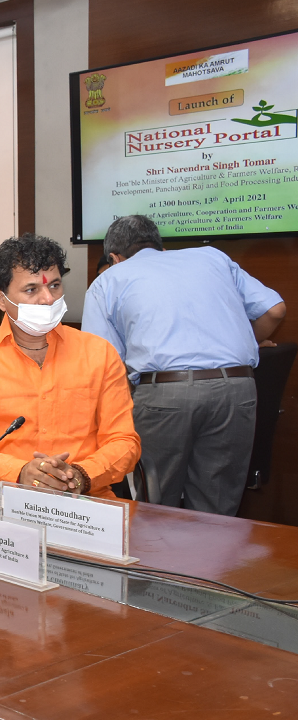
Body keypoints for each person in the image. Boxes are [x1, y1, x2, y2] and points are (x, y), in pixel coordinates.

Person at [83, 214, 286, 514]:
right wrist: (244, 343)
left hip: (165, 396)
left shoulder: (108, 281)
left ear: (114, 258)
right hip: (237, 389)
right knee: (217, 510)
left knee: (156, 507)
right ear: (159, 245)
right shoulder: (213, 257)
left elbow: (104, 361)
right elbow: (276, 310)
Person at [0, 233, 140, 497]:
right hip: (5, 502)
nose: (48, 299)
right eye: (31, 289)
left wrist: (80, 475)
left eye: (55, 286)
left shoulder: (100, 353)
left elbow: (124, 441)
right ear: (1, 300)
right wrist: (20, 472)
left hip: (86, 504)